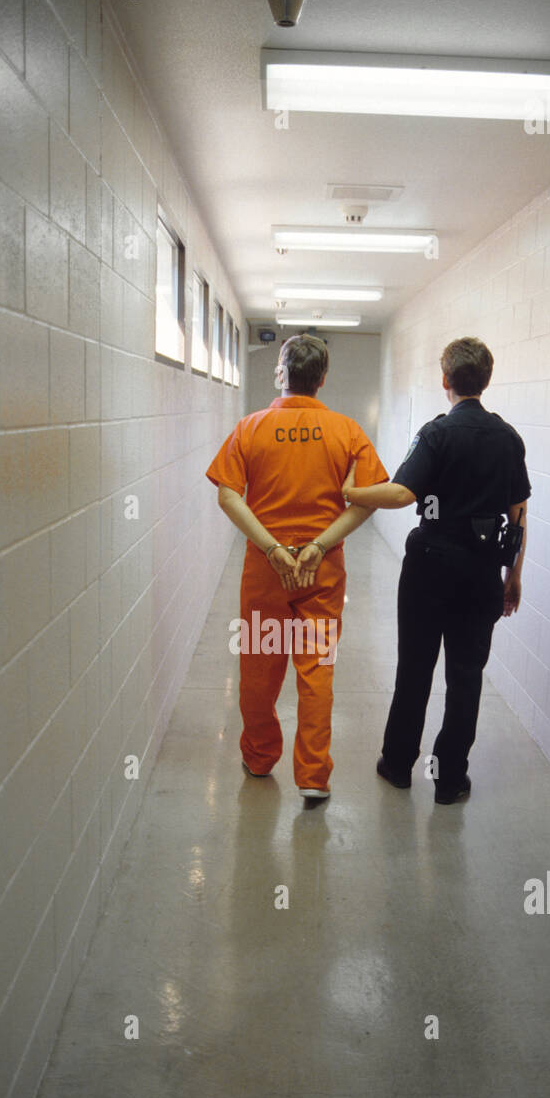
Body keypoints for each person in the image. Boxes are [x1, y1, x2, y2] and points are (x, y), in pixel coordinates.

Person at [343, 336, 531, 803]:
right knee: (466, 677)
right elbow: (518, 515)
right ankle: (449, 781)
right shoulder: (508, 438)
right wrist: (514, 576)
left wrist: (353, 492)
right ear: (485, 380)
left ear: (445, 380)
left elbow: (402, 493)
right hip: (483, 571)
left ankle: (399, 765)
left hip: (430, 569)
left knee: (415, 669)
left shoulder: (437, 433)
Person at [206, 333, 388, 801]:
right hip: (320, 574)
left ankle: (260, 757)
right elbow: (367, 501)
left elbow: (228, 494)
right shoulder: (347, 431)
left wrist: (271, 548)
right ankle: (312, 776)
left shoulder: (250, 428)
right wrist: (319, 545)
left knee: (259, 671)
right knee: (317, 671)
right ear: (323, 379)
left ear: (280, 373)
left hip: (267, 575)